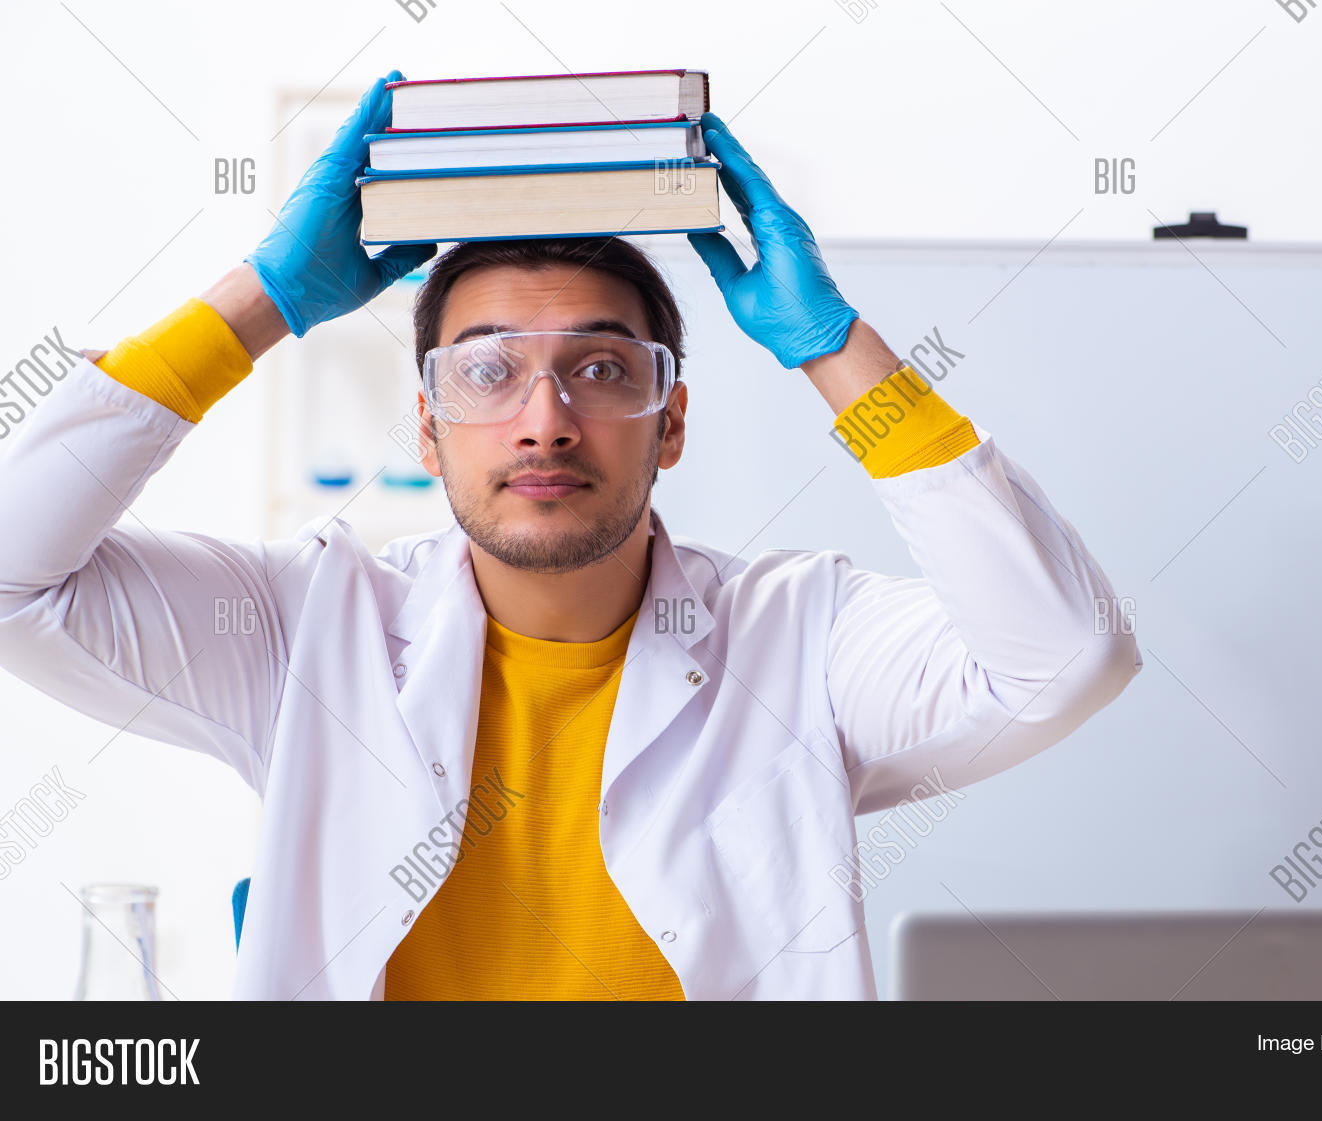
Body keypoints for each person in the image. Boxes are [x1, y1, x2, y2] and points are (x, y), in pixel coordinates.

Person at [0, 70, 1140, 999]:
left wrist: (832, 345)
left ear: (672, 419)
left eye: (602, 368)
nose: (545, 420)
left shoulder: (802, 640)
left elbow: (1063, 655)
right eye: (487, 372)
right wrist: (261, 300)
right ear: (429, 430)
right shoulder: (304, 633)